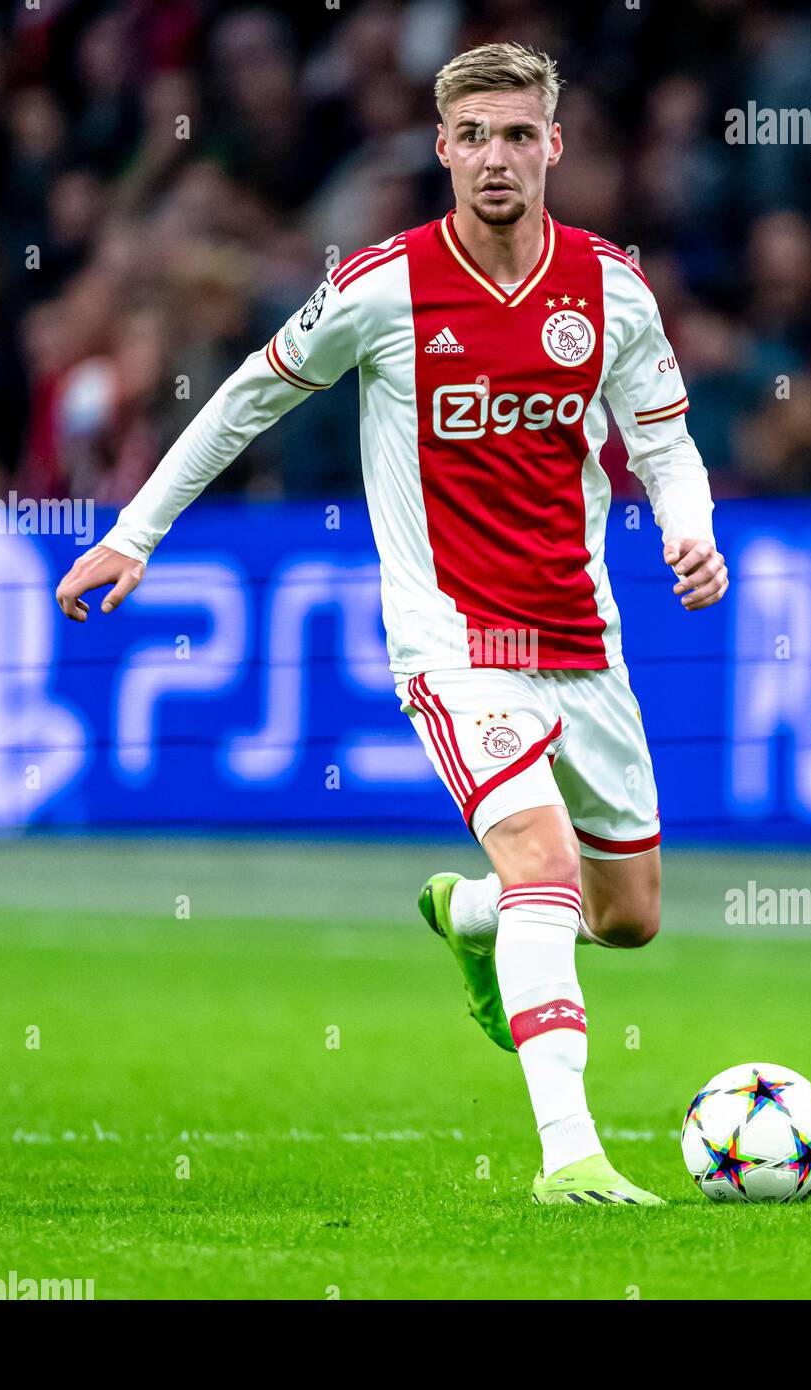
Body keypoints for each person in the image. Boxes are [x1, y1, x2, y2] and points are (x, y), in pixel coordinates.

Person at [54, 42, 727, 1207]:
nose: (496, 158)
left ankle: (466, 918)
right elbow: (247, 396)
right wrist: (137, 532)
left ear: (553, 146)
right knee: (545, 864)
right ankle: (570, 1155)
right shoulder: (382, 285)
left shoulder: (611, 288)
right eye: (473, 137)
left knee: (628, 919)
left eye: (518, 135)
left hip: (582, 639)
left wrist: (689, 525)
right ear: (442, 149)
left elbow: (661, 435)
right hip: (453, 640)